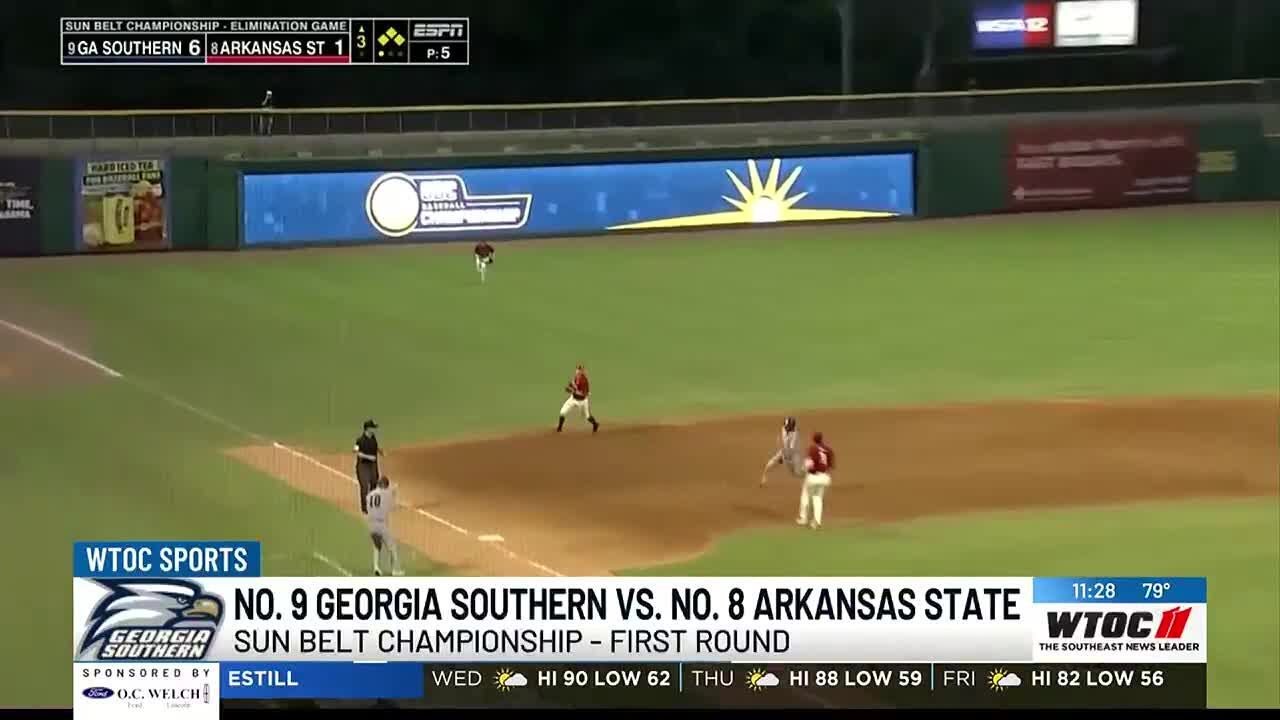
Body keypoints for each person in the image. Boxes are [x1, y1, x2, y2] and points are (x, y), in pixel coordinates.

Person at [366, 475, 403, 576]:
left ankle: (376, 567)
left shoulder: (369, 495)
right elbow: (392, 505)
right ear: (385, 485)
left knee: (377, 545)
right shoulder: (386, 494)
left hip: (371, 524)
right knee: (392, 547)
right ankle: (395, 570)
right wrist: (394, 491)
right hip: (381, 524)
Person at [798, 431, 835, 529]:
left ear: (813, 439)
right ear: (821, 439)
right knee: (818, 498)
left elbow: (809, 463)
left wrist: (802, 470)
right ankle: (817, 521)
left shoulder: (812, 448)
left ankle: (804, 518)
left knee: (805, 495)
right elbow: (831, 466)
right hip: (825, 478)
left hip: (813, 477)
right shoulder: (828, 450)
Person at [557, 364, 599, 433]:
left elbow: (584, 394)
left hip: (582, 401)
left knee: (588, 417)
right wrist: (570, 386)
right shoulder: (576, 377)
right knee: (562, 412)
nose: (578, 371)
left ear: (582, 371)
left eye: (580, 370)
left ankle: (595, 424)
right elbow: (573, 385)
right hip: (573, 399)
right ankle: (559, 428)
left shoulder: (584, 381)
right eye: (577, 369)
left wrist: (572, 390)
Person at [353, 419, 383, 513]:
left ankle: (372, 504)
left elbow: (375, 446)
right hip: (363, 466)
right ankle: (365, 508)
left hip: (373, 465)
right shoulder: (360, 440)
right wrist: (369, 457)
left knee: (374, 483)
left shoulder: (373, 438)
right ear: (368, 429)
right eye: (373, 428)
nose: (374, 429)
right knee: (364, 486)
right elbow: (356, 451)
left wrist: (380, 451)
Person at [760, 416, 800, 485]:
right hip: (783, 450)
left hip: (788, 452)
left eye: (788, 426)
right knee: (772, 462)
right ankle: (764, 477)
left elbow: (791, 447)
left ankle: (797, 472)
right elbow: (782, 442)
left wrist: (787, 456)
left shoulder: (794, 433)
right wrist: (782, 454)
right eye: (786, 426)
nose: (786, 427)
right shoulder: (784, 429)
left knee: (792, 467)